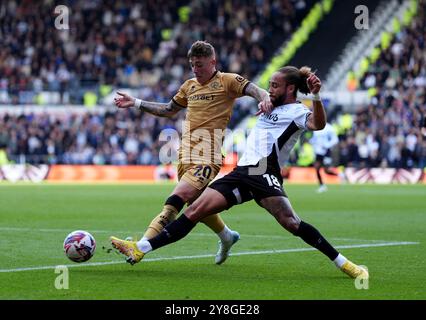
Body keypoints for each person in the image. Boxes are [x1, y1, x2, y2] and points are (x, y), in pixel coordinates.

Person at [110, 66, 369, 280]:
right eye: (269, 85)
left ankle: (343, 263)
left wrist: (315, 96)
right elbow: (259, 95)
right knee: (195, 210)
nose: (270, 89)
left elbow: (318, 124)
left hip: (265, 173)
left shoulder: (298, 111)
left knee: (292, 223)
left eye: (275, 85)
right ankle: (139, 249)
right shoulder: (269, 105)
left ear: (290, 89)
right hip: (243, 172)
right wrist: (265, 98)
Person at [113, 40, 273, 265]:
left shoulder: (227, 81)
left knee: (174, 202)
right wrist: (136, 103)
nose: (195, 70)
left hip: (207, 158)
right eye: (192, 65)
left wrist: (265, 98)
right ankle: (227, 236)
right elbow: (169, 110)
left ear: (213, 62)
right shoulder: (189, 86)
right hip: (185, 157)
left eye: (200, 65)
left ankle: (139, 247)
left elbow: (255, 89)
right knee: (197, 205)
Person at [309, 122, 339, 193]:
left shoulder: (329, 128)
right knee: (317, 168)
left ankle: (340, 175)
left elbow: (335, 140)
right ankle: (322, 186)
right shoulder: (316, 126)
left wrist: (327, 145)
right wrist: (312, 141)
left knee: (326, 170)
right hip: (318, 152)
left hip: (326, 151)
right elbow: (315, 139)